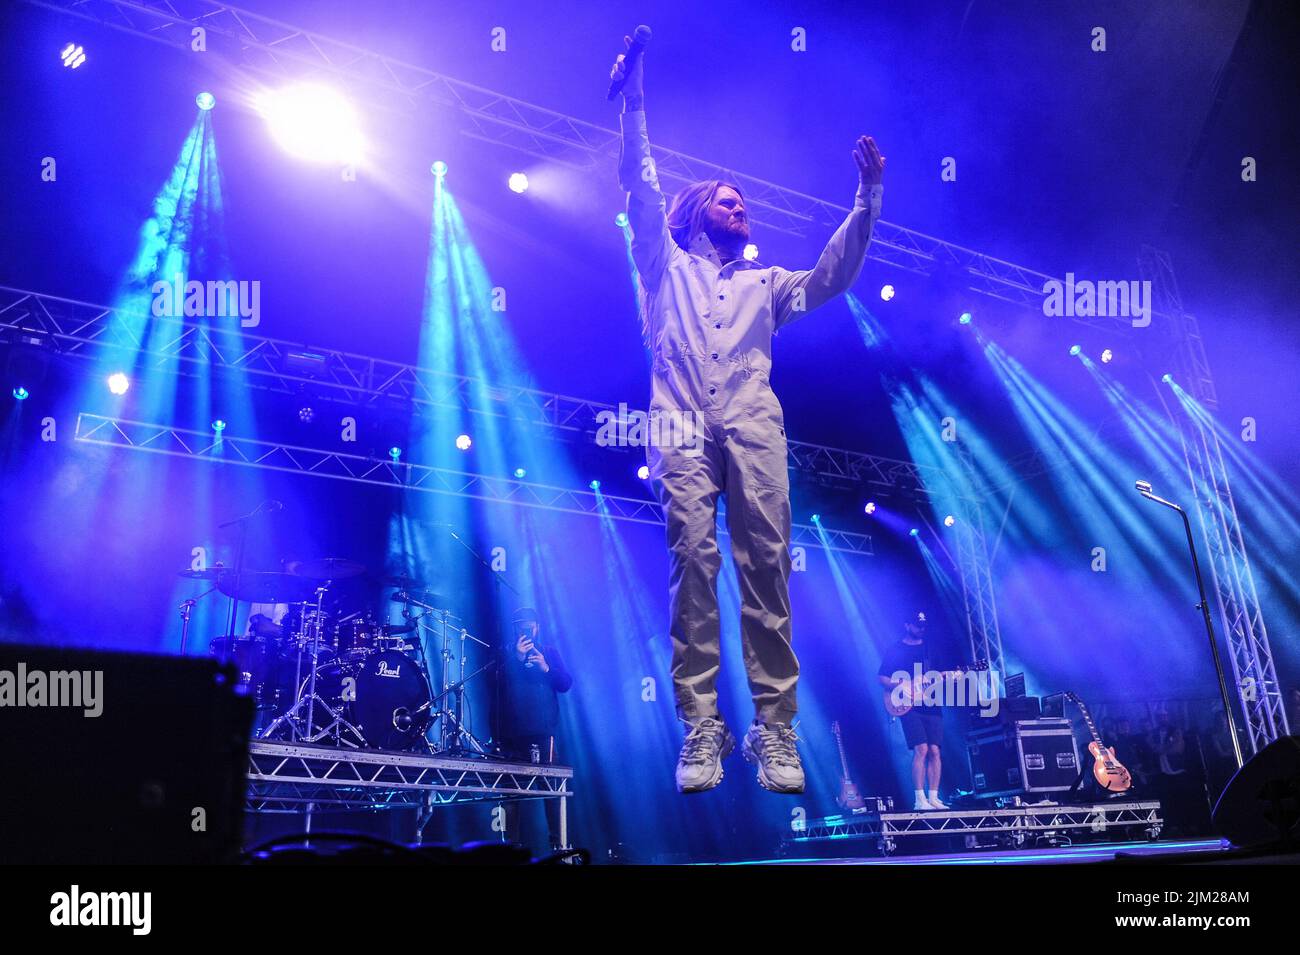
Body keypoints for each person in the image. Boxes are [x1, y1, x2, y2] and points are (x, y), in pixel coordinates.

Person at [610, 34, 885, 795]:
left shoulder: (767, 282)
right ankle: (702, 727)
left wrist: (866, 201)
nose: (743, 207)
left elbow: (832, 276)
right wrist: (633, 93)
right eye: (730, 200)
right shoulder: (662, 264)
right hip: (677, 422)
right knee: (692, 563)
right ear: (701, 211)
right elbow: (638, 175)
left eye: (744, 202)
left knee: (766, 565)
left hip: (754, 423)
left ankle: (775, 728)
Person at [496, 607, 573, 852]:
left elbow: (565, 684)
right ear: (515, 629)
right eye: (522, 626)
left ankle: (557, 845)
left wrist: (546, 668)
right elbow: (495, 681)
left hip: (544, 731)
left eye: (531, 626)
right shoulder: (506, 653)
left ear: (537, 627)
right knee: (510, 792)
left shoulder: (549, 652)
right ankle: (511, 846)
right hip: (512, 732)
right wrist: (517, 659)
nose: (527, 630)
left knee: (550, 790)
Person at [877, 612, 948, 810]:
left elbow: (939, 674)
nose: (921, 628)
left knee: (935, 750)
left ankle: (933, 797)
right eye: (917, 625)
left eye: (923, 625)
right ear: (908, 625)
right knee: (921, 749)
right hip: (907, 705)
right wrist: (902, 685)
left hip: (931, 703)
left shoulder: (930, 649)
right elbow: (882, 678)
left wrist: (952, 676)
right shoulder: (896, 649)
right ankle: (919, 799)